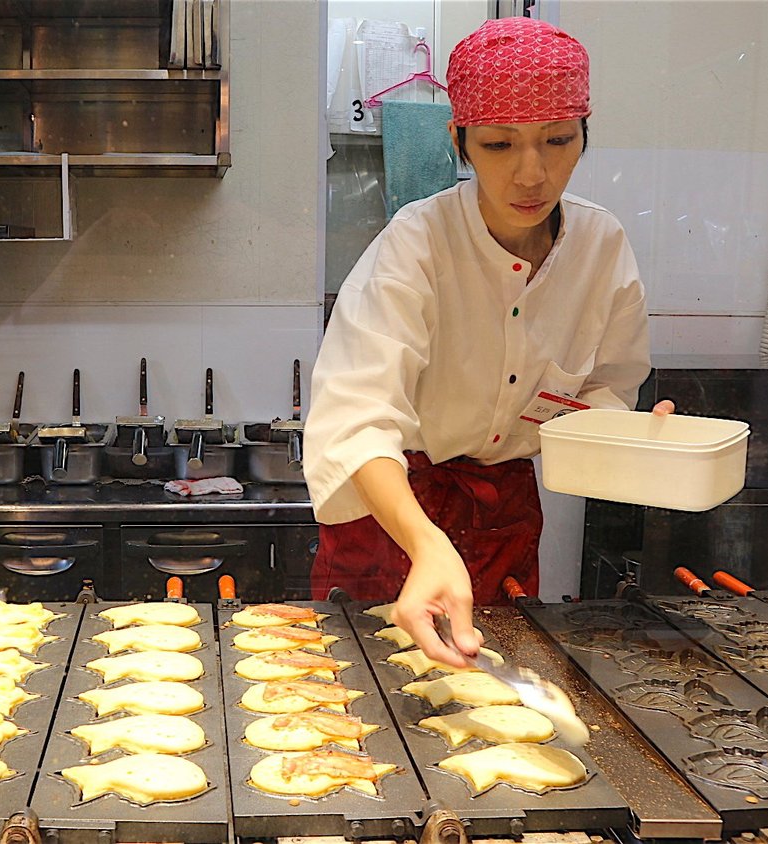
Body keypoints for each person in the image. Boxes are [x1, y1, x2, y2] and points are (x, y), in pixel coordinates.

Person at [303, 17, 672, 668]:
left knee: (494, 698)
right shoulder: (417, 244)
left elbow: (602, 391)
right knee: (357, 701)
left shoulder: (602, 246)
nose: (532, 173)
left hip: (503, 514)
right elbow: (355, 418)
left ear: (584, 135)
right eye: (500, 145)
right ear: (461, 141)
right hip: (391, 510)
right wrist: (427, 543)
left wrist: (632, 437)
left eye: (557, 140)